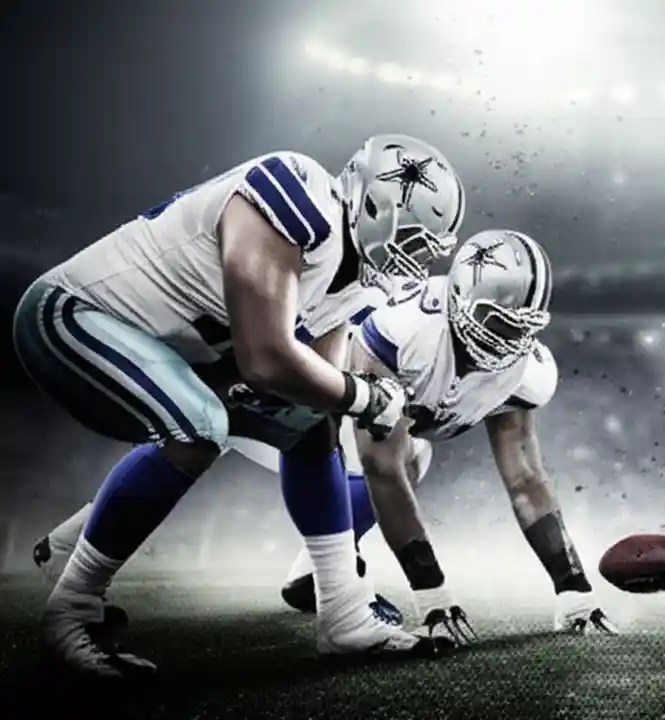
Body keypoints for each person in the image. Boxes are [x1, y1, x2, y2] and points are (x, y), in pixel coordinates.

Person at [14, 134, 464, 677]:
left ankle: (343, 613)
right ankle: (72, 609)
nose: (415, 259)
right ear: (375, 207)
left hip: (169, 355)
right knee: (201, 429)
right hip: (73, 317)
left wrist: (350, 399)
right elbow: (267, 359)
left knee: (309, 426)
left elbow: (314, 389)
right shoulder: (298, 194)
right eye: (414, 241)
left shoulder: (353, 278)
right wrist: (367, 396)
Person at [344, 229, 617, 640]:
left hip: (381, 427)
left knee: (414, 453)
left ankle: (314, 572)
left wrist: (573, 588)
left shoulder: (527, 369)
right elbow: (380, 466)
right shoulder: (404, 331)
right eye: (497, 321)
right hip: (302, 404)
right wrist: (432, 595)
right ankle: (334, 577)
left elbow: (525, 478)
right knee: (390, 458)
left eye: (522, 327)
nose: (508, 340)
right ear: (459, 300)